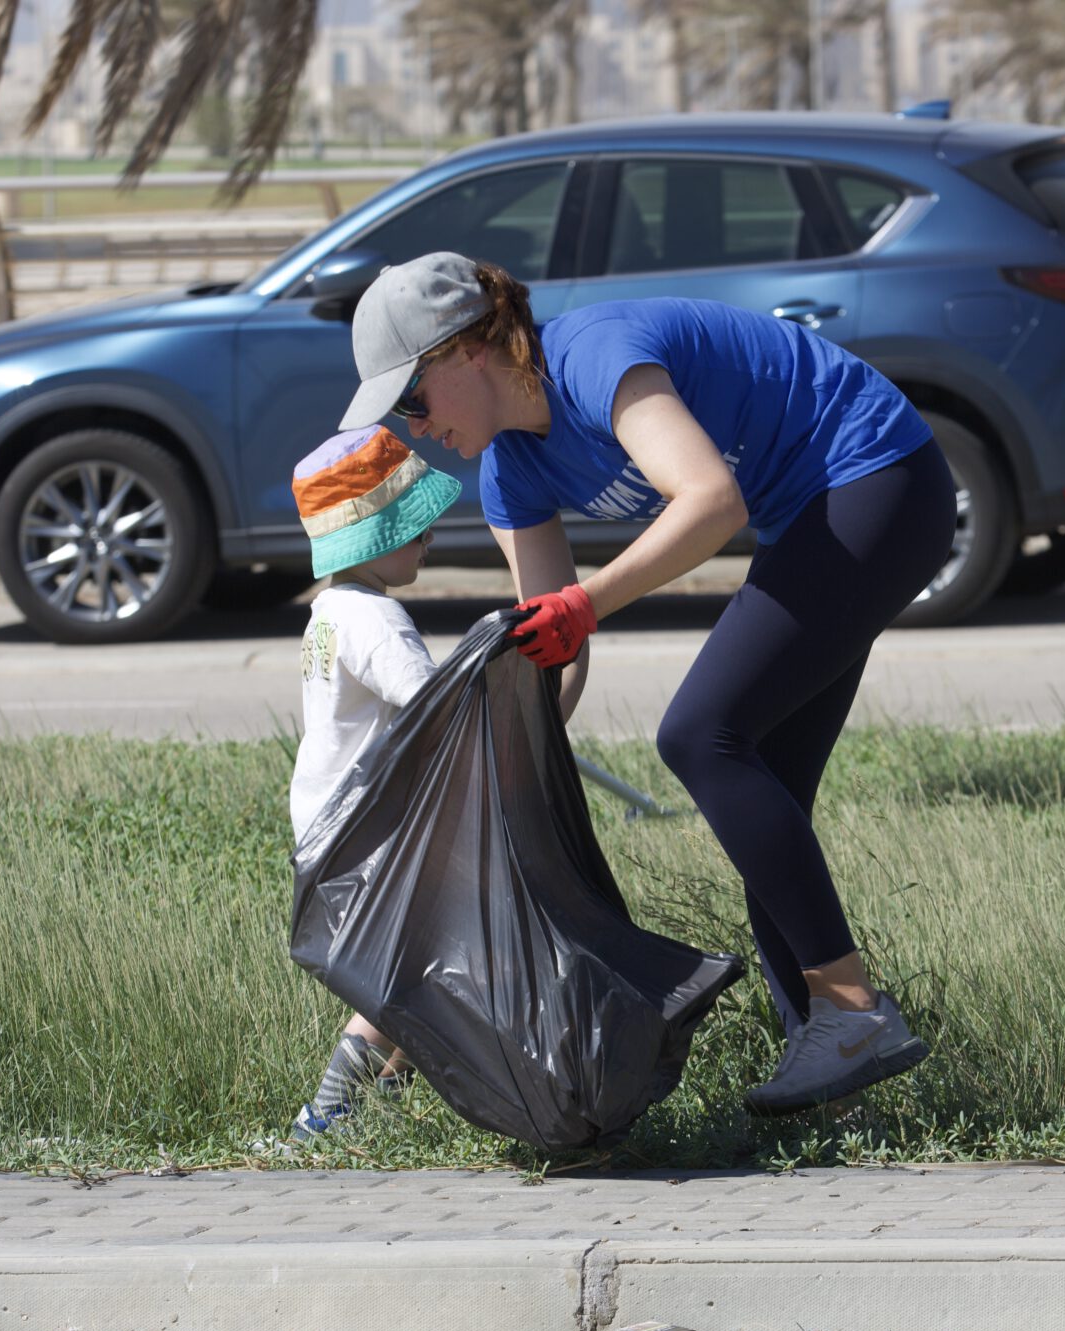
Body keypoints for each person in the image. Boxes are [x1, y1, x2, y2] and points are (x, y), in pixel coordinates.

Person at [337, 252, 958, 1117]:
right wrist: (498, 775)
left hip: (878, 478)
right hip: (814, 516)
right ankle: (832, 1068)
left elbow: (710, 500)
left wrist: (584, 604)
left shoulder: (594, 357)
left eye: (412, 397)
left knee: (701, 734)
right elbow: (551, 656)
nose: (414, 425)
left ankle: (851, 1012)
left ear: (469, 348)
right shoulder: (511, 471)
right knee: (759, 788)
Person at [282, 422, 461, 1140]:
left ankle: (390, 1096)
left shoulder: (328, 612)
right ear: (378, 537)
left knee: (421, 952)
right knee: (405, 963)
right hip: (369, 832)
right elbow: (434, 705)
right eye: (418, 528)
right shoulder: (379, 617)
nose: (429, 542)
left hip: (328, 824)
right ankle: (326, 1111)